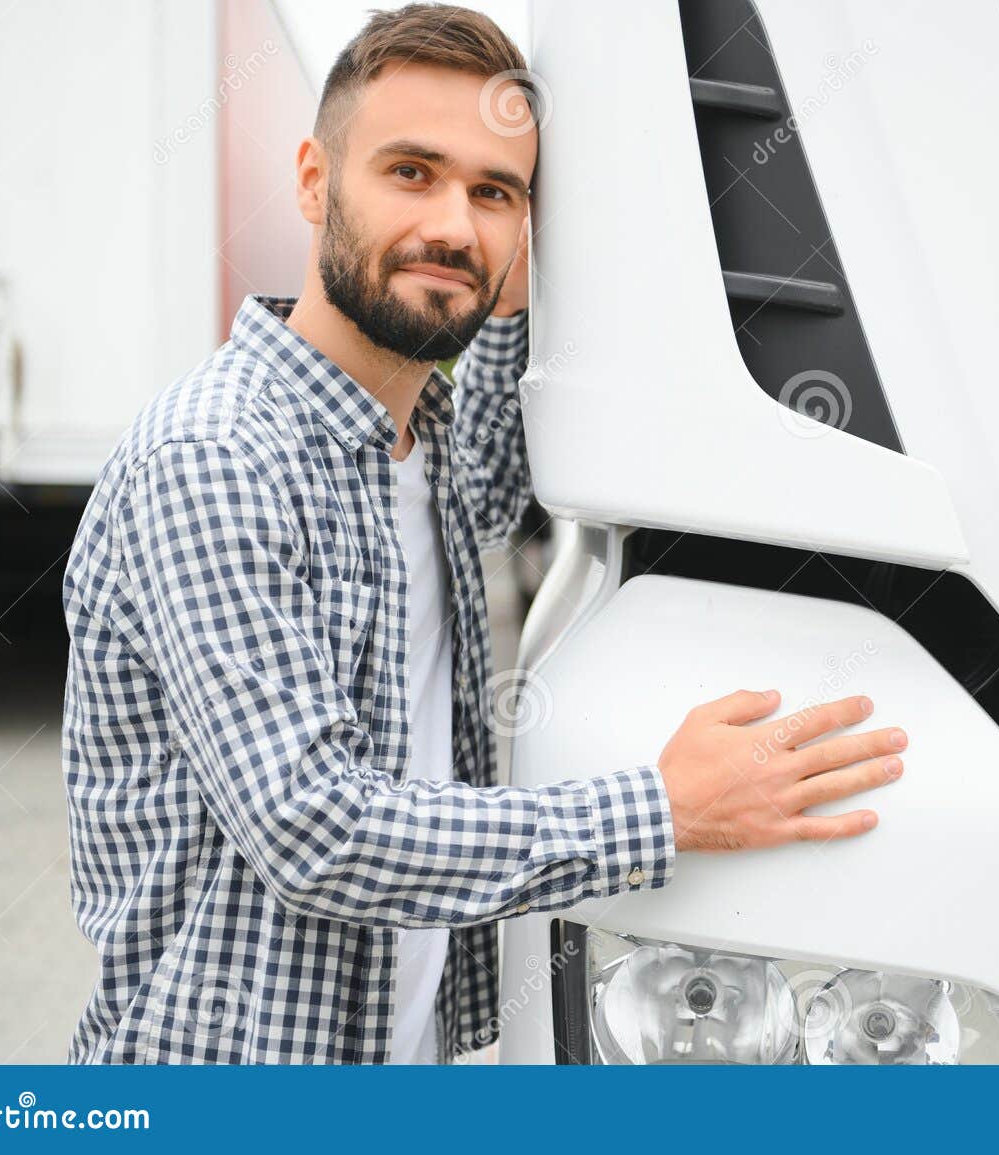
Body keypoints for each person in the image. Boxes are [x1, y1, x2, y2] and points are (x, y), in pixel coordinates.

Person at [60, 2, 908, 1064]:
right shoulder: (218, 456)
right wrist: (661, 809)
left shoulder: (413, 439)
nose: (453, 225)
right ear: (316, 183)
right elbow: (312, 830)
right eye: (410, 173)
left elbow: (496, 495)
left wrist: (507, 304)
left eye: (493, 192)